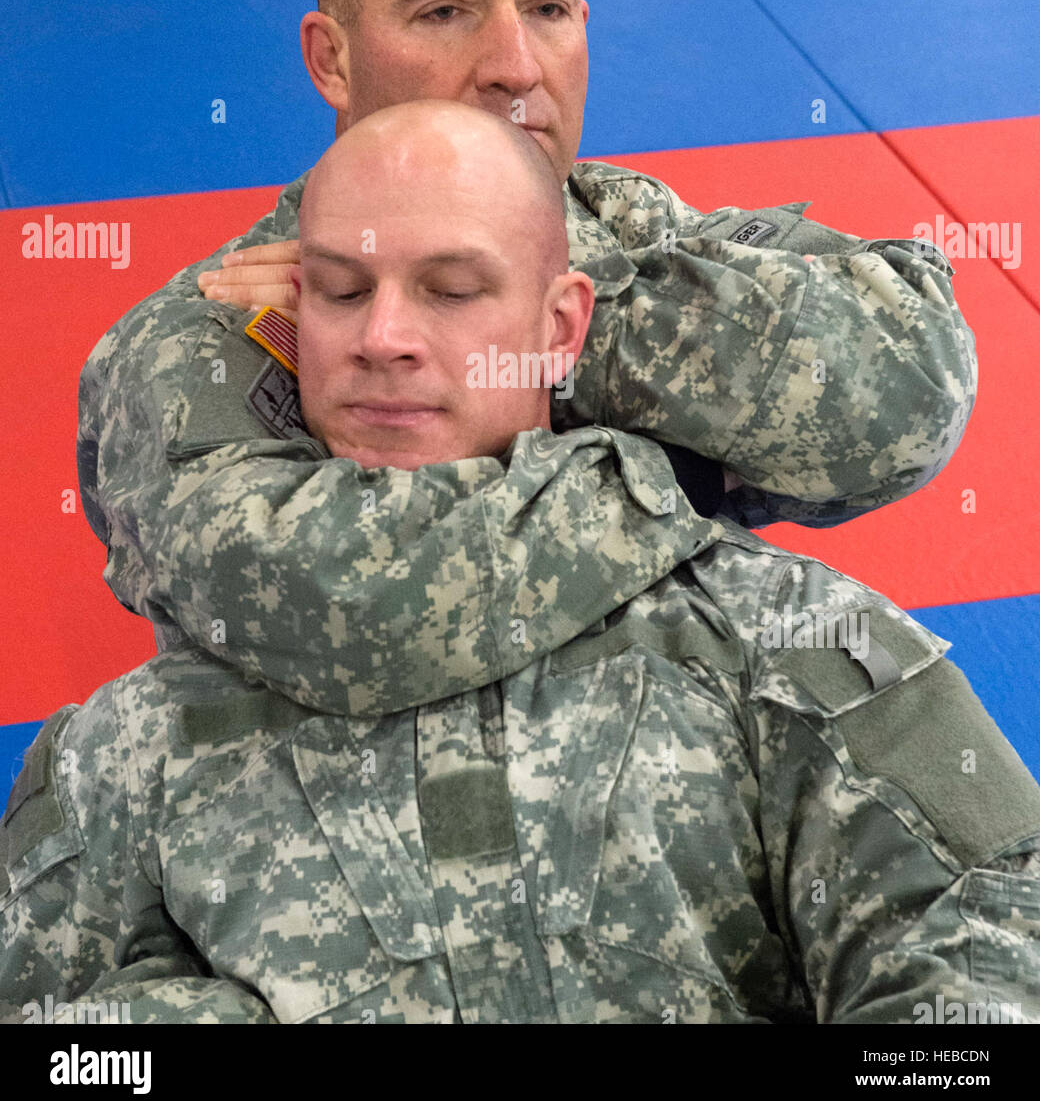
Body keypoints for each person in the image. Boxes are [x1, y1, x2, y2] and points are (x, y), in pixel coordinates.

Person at [3, 102, 1036, 1025]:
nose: (384, 337)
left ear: (560, 327)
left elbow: (991, 944)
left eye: (450, 289)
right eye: (338, 291)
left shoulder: (786, 647)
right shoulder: (130, 751)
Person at [72, 0, 977, 702]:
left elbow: (910, 392)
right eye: (445, 10)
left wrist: (561, 326)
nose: (515, 63)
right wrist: (691, 480)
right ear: (333, 60)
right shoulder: (211, 330)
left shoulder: (632, 225)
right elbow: (344, 609)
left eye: (545, 8)